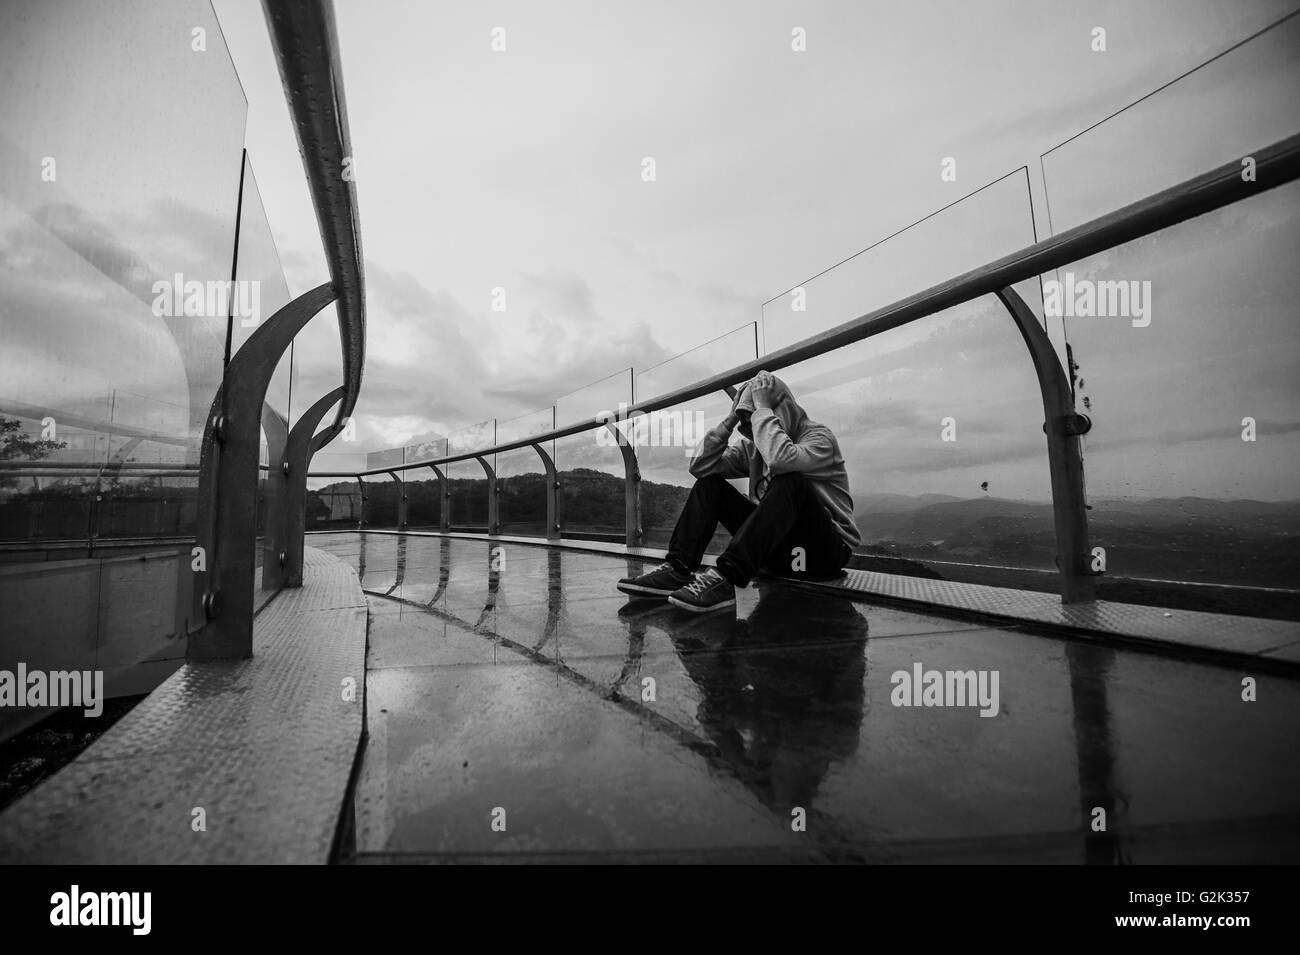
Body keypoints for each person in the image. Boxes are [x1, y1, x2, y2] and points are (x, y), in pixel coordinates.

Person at [618, 370, 860, 612]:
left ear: (781, 409)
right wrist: (730, 420)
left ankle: (728, 577)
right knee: (709, 484)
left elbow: (779, 459)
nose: (749, 426)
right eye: (746, 419)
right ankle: (679, 568)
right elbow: (701, 467)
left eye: (752, 418)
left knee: (791, 482)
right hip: (776, 553)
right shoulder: (751, 447)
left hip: (822, 555)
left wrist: (762, 407)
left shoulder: (819, 438)